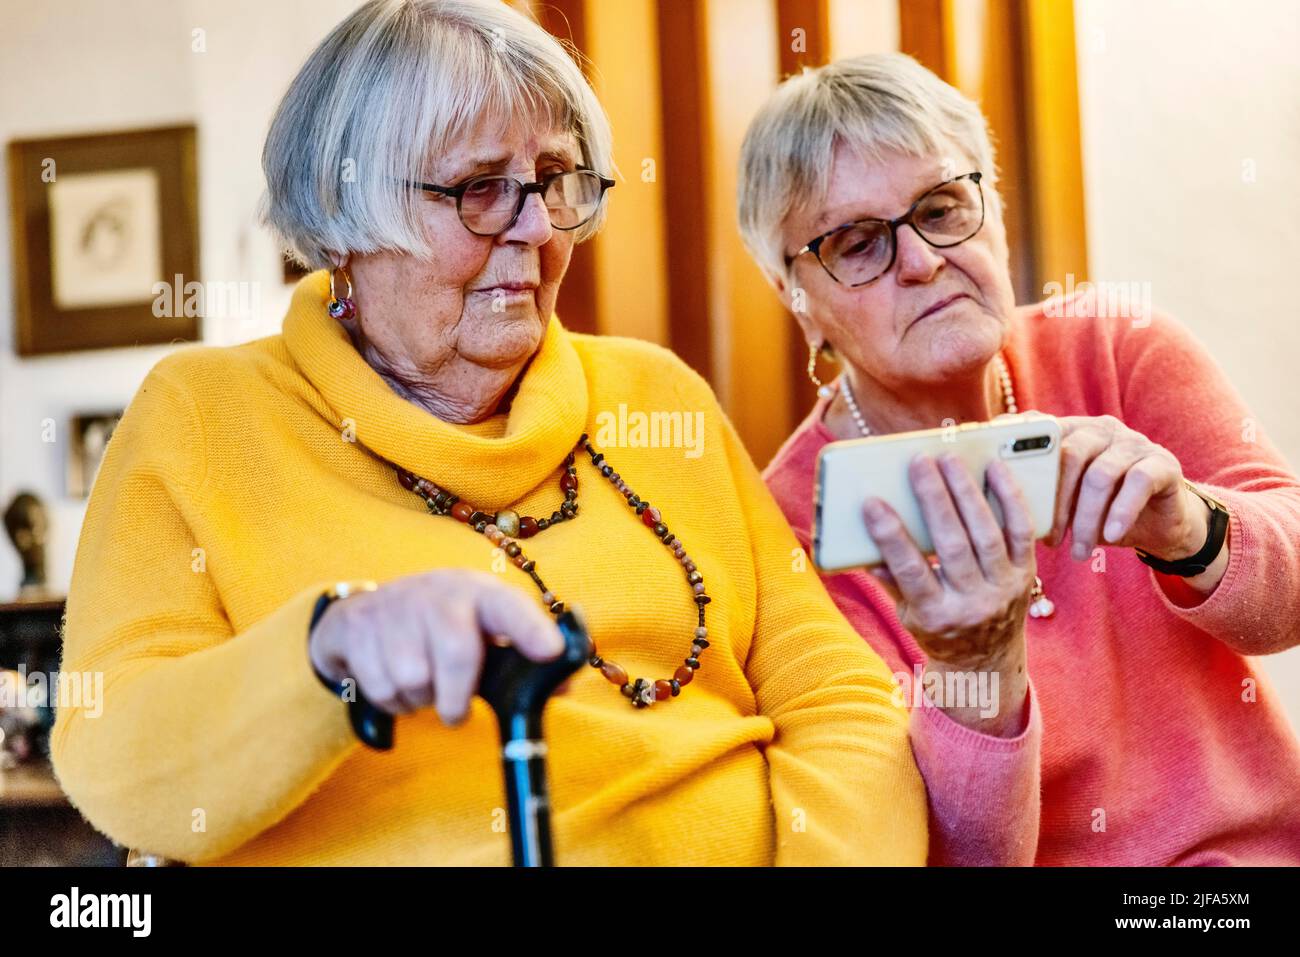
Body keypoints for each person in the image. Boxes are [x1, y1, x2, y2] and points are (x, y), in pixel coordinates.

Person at [50, 0, 927, 866]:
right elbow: (118, 760)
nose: (540, 229)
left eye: (556, 181)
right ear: (346, 215)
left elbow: (838, 697)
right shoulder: (202, 418)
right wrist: (328, 653)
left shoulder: (657, 395)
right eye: (480, 190)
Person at [742, 52, 1300, 865]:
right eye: (858, 244)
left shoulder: (1117, 347)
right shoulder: (792, 528)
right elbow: (954, 857)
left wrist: (1189, 527)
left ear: (993, 207)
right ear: (798, 299)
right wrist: (975, 669)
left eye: (941, 207)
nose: (923, 260)